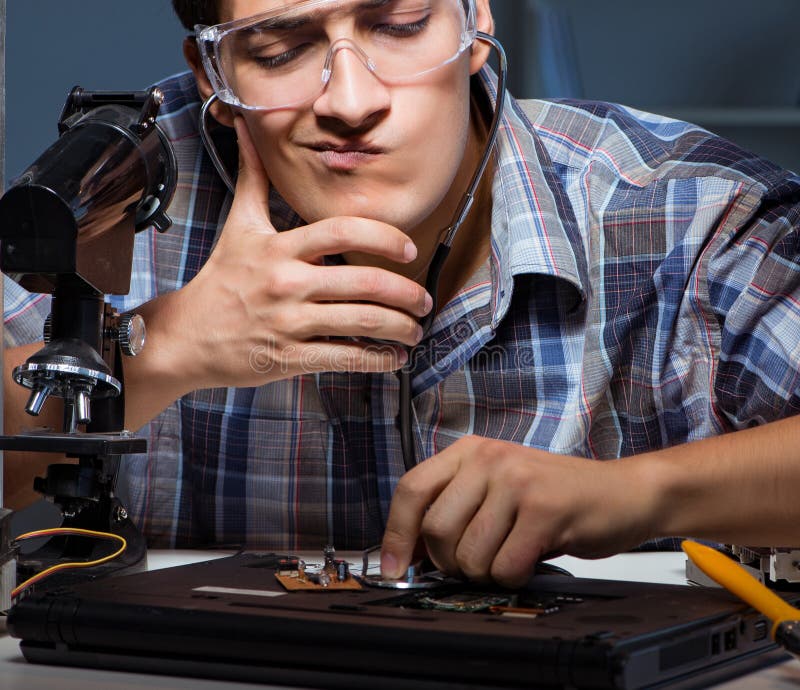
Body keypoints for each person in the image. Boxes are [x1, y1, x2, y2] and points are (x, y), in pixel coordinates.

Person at [4, 0, 800, 589]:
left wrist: (637, 493)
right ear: (212, 73)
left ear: (473, 22)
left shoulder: (683, 212)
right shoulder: (118, 181)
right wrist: (163, 349)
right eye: (280, 50)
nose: (351, 101)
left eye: (401, 23)